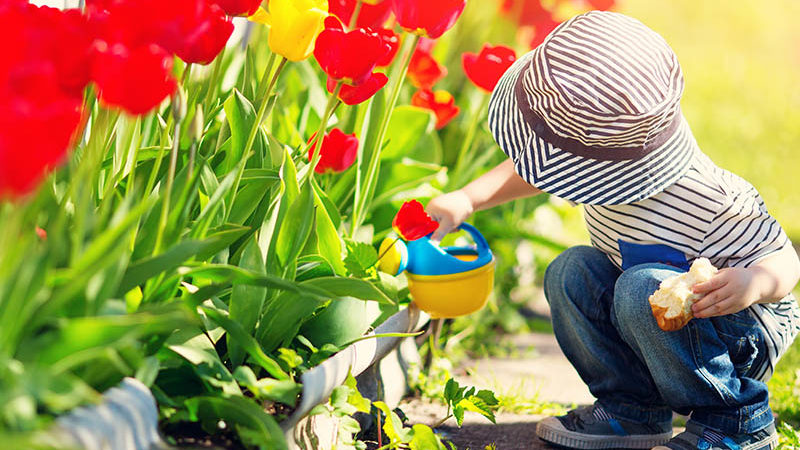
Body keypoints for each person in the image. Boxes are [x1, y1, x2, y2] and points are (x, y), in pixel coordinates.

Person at [426, 10, 800, 450]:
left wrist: (753, 283)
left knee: (639, 287)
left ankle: (736, 420)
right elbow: (534, 170)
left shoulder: (709, 197)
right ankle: (633, 410)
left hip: (736, 330)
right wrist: (469, 199)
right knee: (571, 271)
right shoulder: (602, 159)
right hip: (647, 320)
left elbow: (785, 260)